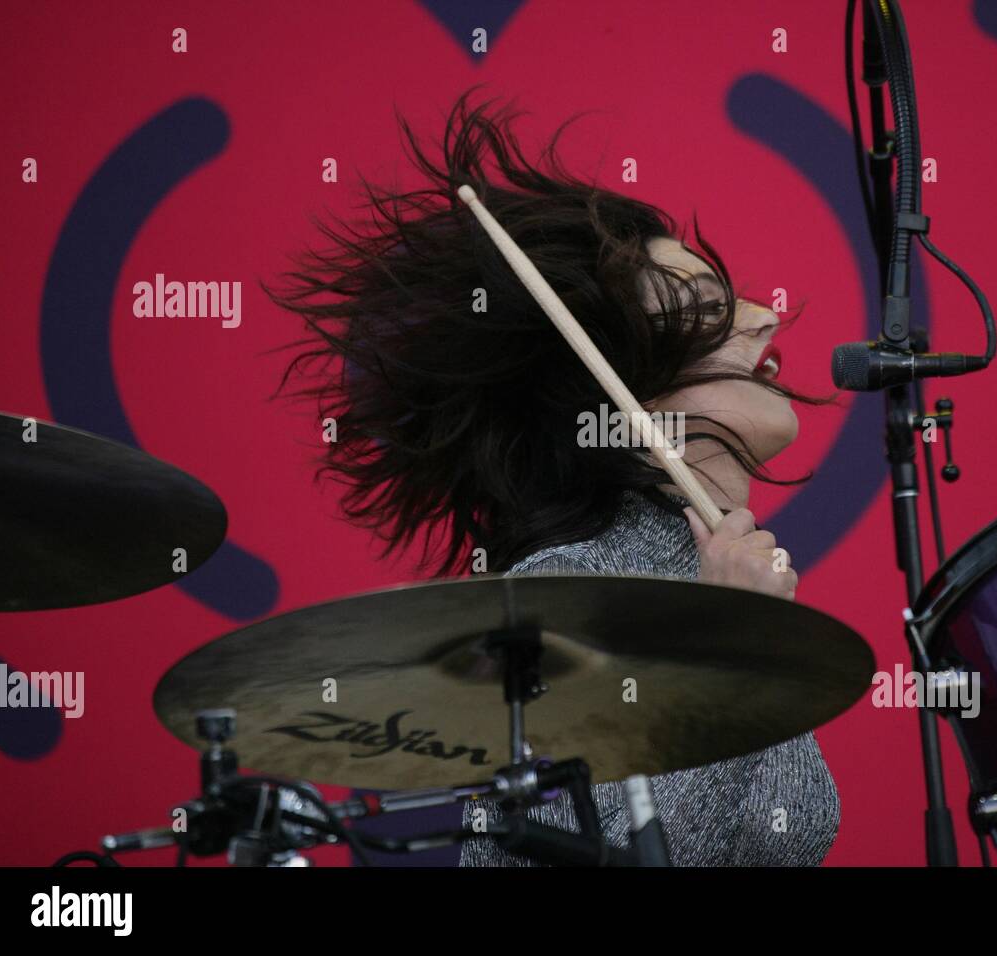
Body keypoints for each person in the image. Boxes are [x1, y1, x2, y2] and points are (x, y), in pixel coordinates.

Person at [272, 89, 840, 865]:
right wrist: (730, 641)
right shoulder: (566, 595)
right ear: (622, 391)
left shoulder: (711, 572)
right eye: (708, 308)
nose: (766, 316)